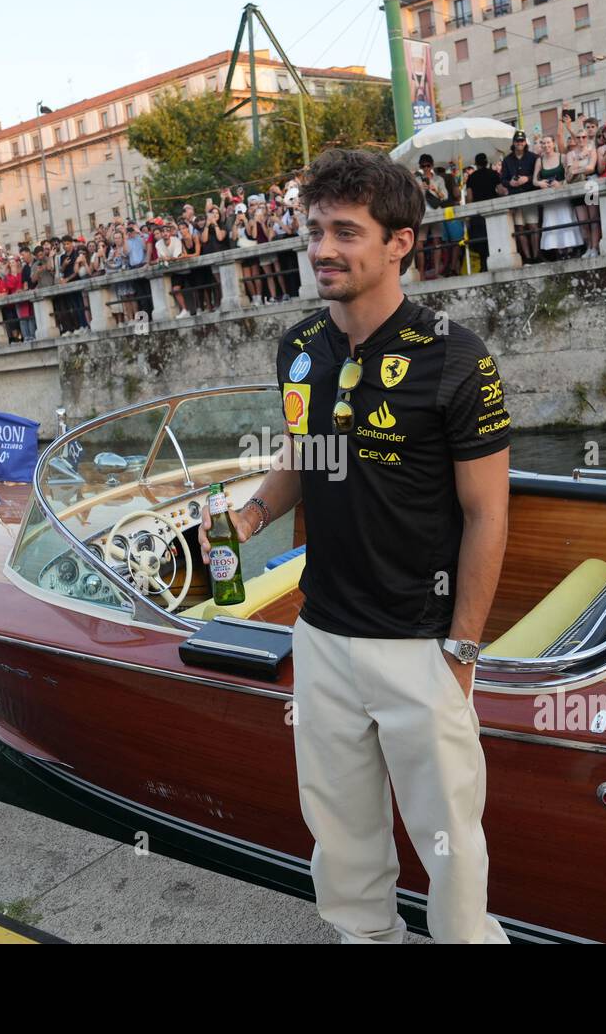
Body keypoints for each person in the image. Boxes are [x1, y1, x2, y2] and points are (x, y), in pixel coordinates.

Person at [198, 148, 511, 944]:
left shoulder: (458, 356)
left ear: (399, 242)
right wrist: (250, 515)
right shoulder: (300, 345)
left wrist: (461, 652)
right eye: (315, 230)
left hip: (421, 642)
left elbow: (487, 514)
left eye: (346, 231)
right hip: (324, 635)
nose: (323, 249)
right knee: (342, 842)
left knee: (452, 853)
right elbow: (305, 455)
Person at [534, 135, 583, 256]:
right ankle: (559, 252)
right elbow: (534, 180)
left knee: (565, 218)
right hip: (549, 198)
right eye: (543, 143)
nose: (546, 146)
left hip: (562, 195)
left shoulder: (563, 157)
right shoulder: (539, 160)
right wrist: (540, 183)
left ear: (553, 143)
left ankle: (571, 250)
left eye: (548, 143)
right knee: (552, 221)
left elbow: (569, 177)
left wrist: (560, 183)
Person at [500, 131, 540, 264]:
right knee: (520, 227)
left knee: (533, 225)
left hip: (530, 194)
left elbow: (538, 175)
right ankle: (527, 258)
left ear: (525, 142)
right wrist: (510, 182)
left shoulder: (533, 157)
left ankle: (536, 256)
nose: (519, 143)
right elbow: (503, 179)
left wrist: (527, 178)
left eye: (522, 141)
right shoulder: (507, 160)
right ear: (513, 143)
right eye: (517, 141)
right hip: (515, 196)